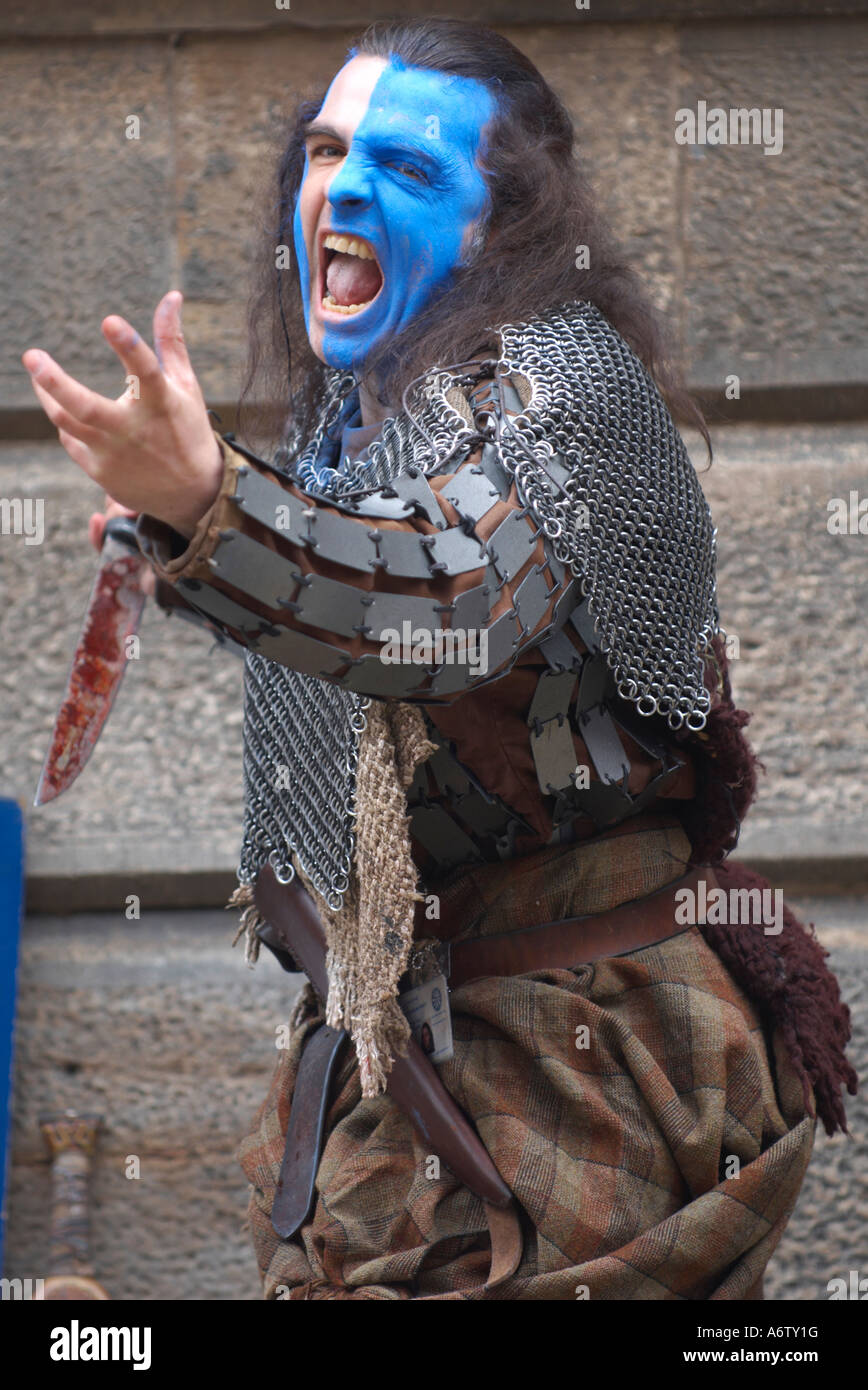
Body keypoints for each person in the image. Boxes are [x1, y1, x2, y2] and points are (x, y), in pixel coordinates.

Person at [23, 18, 855, 1302]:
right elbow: (377, 620)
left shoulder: (563, 379)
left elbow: (449, 602)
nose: (341, 188)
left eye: (405, 171)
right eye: (326, 150)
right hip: (422, 1060)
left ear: (492, 225)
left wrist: (216, 511)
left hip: (583, 1063)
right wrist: (199, 542)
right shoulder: (354, 423)